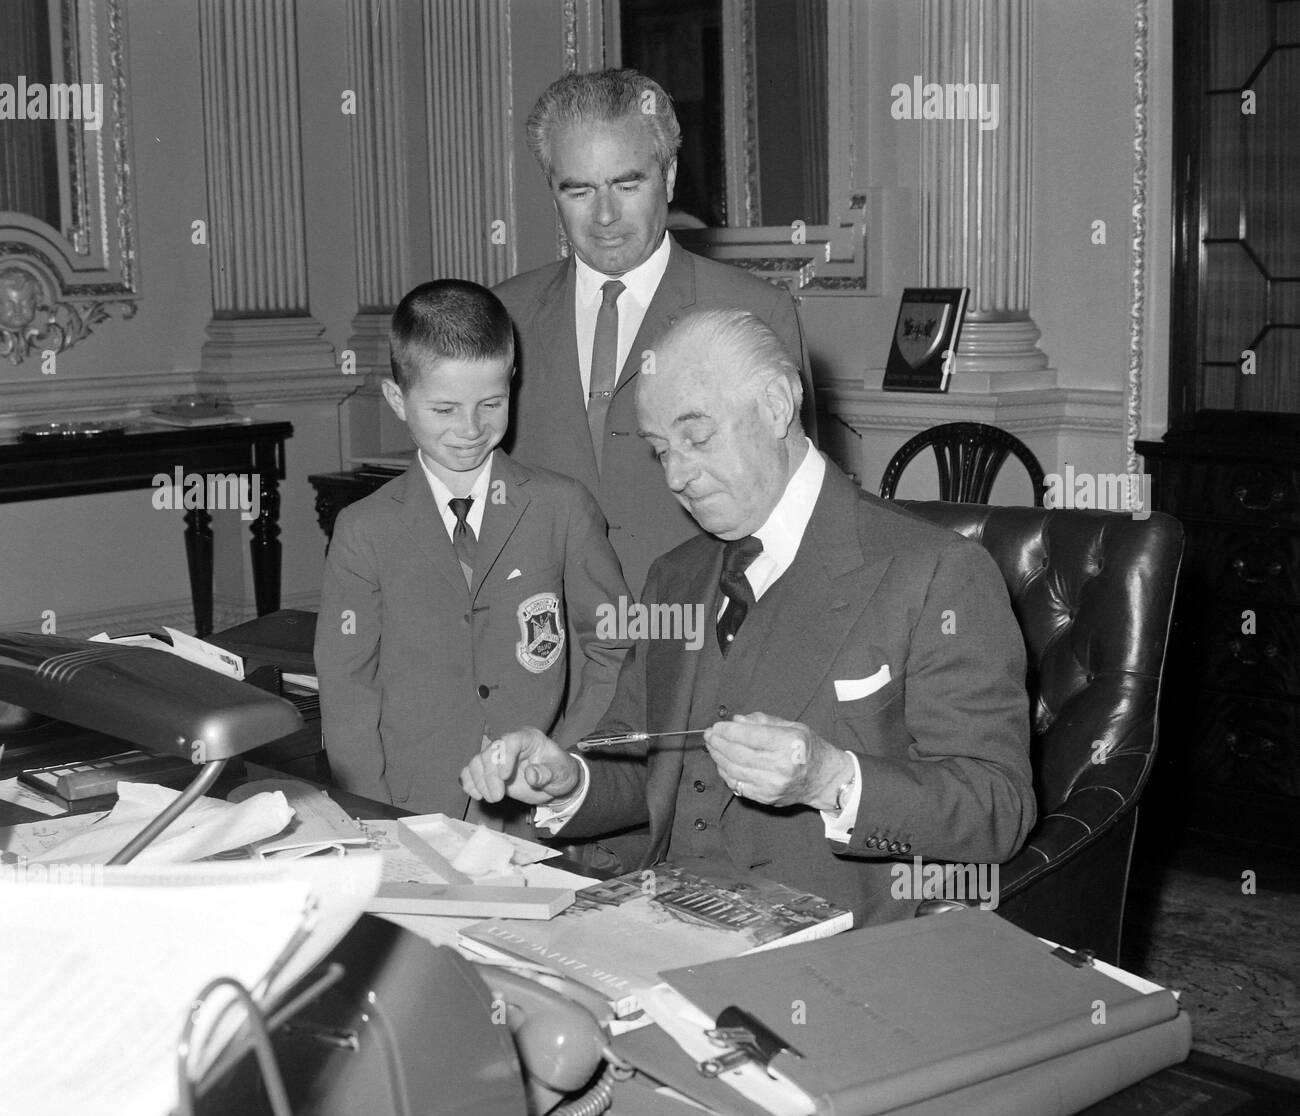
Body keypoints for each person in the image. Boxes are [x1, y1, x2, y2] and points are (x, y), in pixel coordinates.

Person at [460, 309, 1036, 926]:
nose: (677, 476)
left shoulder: (937, 572)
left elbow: (997, 809)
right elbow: (641, 762)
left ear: (776, 404)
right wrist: (566, 779)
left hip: (839, 948)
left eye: (698, 438)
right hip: (660, 922)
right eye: (660, 453)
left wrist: (832, 780)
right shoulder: (673, 578)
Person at [496, 68, 817, 599]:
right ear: (551, 190)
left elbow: (797, 509)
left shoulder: (757, 311)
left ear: (668, 177)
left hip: (701, 633)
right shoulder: (502, 315)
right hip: (548, 644)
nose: (604, 216)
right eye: (578, 190)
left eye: (627, 184)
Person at [315, 280, 631, 820]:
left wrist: (565, 757)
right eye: (444, 409)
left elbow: (614, 644)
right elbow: (348, 688)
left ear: (512, 385)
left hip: (534, 812)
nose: (470, 429)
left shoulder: (561, 507)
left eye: (491, 403)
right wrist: (372, 817)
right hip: (412, 810)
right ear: (397, 399)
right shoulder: (363, 531)